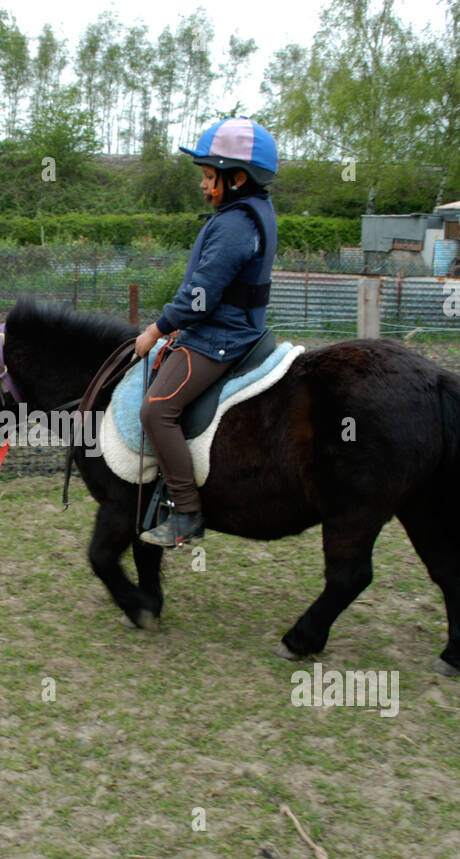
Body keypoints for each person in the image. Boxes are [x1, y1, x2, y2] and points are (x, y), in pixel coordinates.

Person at [134, 117, 279, 548]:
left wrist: (157, 329)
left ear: (236, 179)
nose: (203, 185)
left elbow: (201, 295)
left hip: (221, 337)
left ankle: (187, 513)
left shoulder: (235, 225)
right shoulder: (250, 214)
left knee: (156, 409)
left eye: (209, 176)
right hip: (227, 328)